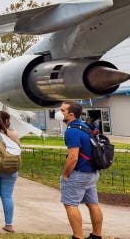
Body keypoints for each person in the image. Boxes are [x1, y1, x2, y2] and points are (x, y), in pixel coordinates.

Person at [60, 101, 103, 239]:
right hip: (92, 173)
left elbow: (73, 157)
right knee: (92, 203)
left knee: (70, 204)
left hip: (78, 173)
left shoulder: (72, 131)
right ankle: (96, 235)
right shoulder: (84, 126)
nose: (59, 113)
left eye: (62, 110)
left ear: (71, 115)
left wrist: (65, 174)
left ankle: (78, 236)